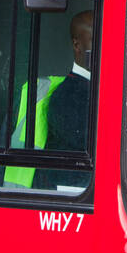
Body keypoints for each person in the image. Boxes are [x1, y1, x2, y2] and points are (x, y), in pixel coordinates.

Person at [34, 10, 93, 190]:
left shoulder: (116, 85)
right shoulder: (66, 96)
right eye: (96, 40)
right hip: (75, 198)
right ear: (77, 45)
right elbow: (92, 140)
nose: (106, 45)